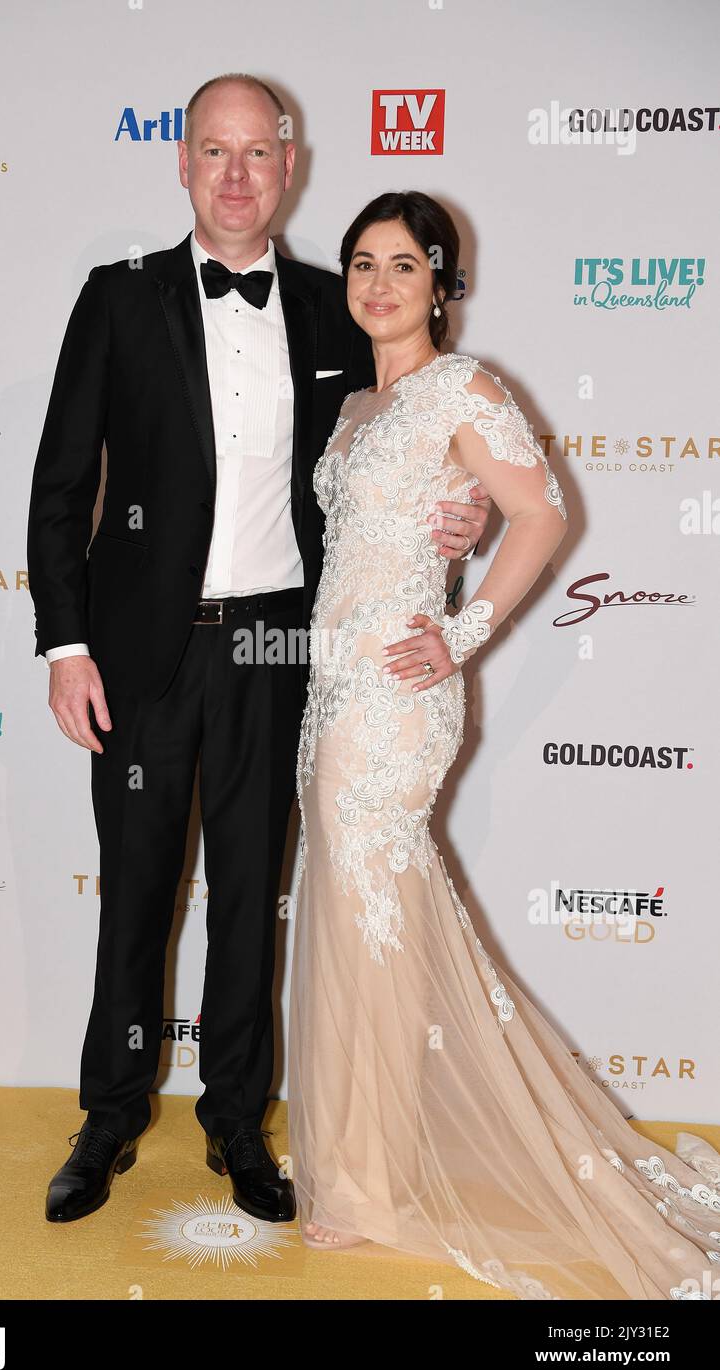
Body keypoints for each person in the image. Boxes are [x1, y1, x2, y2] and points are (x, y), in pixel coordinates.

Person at [26, 77, 492, 1224]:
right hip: (136, 657)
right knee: (134, 892)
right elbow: (57, 488)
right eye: (212, 153)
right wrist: (65, 643)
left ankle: (237, 1118)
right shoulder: (117, 300)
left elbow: (419, 427)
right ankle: (109, 1113)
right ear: (181, 166)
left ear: (288, 165)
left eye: (256, 154)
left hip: (280, 651)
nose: (235, 175)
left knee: (249, 895)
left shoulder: (344, 306)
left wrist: (465, 510)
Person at [287, 190, 720, 1300]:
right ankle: (352, 1158)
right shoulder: (348, 412)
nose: (378, 284)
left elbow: (542, 513)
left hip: (393, 694)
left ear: (441, 280)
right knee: (351, 922)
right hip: (330, 692)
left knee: (374, 931)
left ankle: (372, 1178)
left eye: (401, 264)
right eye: (361, 264)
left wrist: (464, 631)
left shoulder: (463, 389)